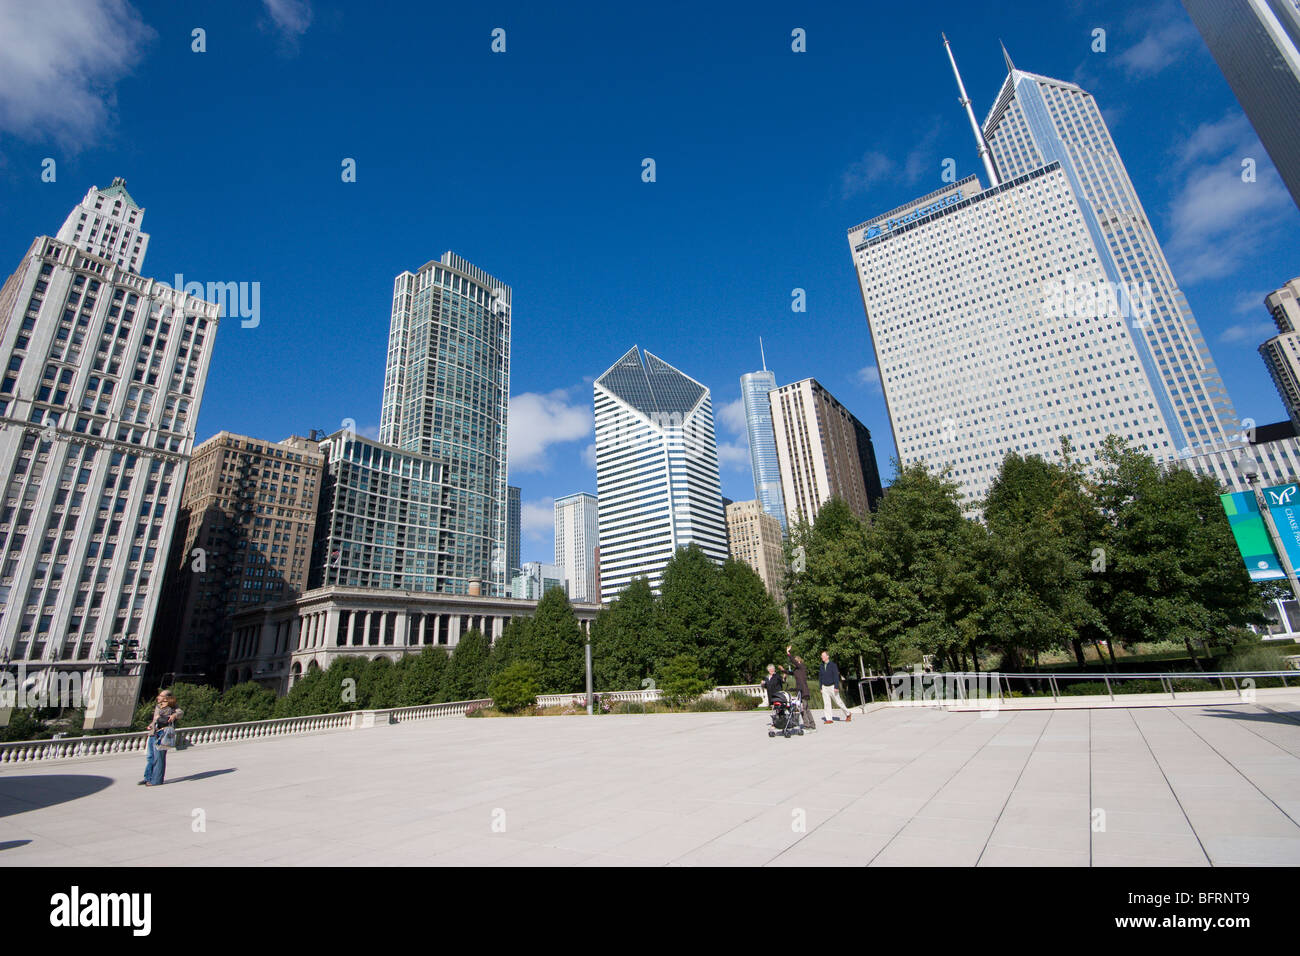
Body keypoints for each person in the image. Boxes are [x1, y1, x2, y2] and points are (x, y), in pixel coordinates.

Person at [141, 690, 183, 787]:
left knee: (159, 758)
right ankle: (148, 777)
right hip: (153, 733)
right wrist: (151, 725)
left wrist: (174, 715)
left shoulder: (172, 707)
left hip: (162, 734)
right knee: (150, 757)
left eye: (160, 696)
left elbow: (180, 712)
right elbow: (156, 719)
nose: (158, 697)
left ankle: (156, 780)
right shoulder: (158, 706)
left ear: (166, 698)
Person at [785, 645, 817, 732]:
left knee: (803, 708)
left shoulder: (801, 667)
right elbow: (791, 672)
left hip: (804, 691)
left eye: (796, 661)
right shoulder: (797, 670)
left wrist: (788, 653)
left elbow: (794, 661)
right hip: (800, 691)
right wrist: (783, 670)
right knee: (806, 708)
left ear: (799, 661)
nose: (794, 663)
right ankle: (812, 725)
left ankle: (807, 726)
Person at [818, 651, 852, 725]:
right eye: (821, 656)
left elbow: (836, 676)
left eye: (823, 656)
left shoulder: (833, 665)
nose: (822, 657)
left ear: (827, 656)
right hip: (824, 687)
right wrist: (820, 687)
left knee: (838, 702)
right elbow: (820, 677)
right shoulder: (821, 666)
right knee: (826, 703)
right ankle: (829, 719)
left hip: (832, 686)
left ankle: (848, 713)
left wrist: (836, 687)